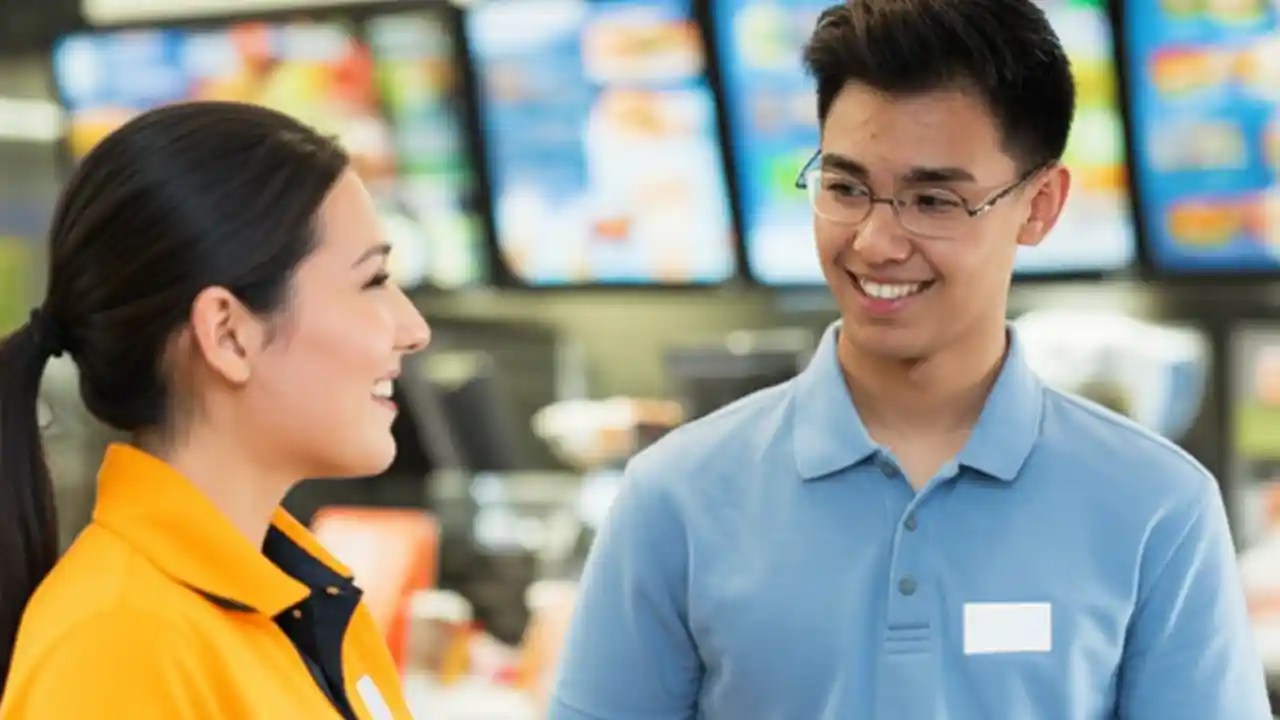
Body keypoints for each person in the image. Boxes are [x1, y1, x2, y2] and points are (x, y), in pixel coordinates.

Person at [550, 1, 1272, 718]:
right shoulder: (674, 497)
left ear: (1041, 205)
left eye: (932, 200)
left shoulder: (1158, 507)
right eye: (845, 188)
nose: (874, 242)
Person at [0, 101, 430, 718]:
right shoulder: (119, 646)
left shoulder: (310, 605)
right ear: (227, 334)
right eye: (372, 281)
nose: (413, 329)